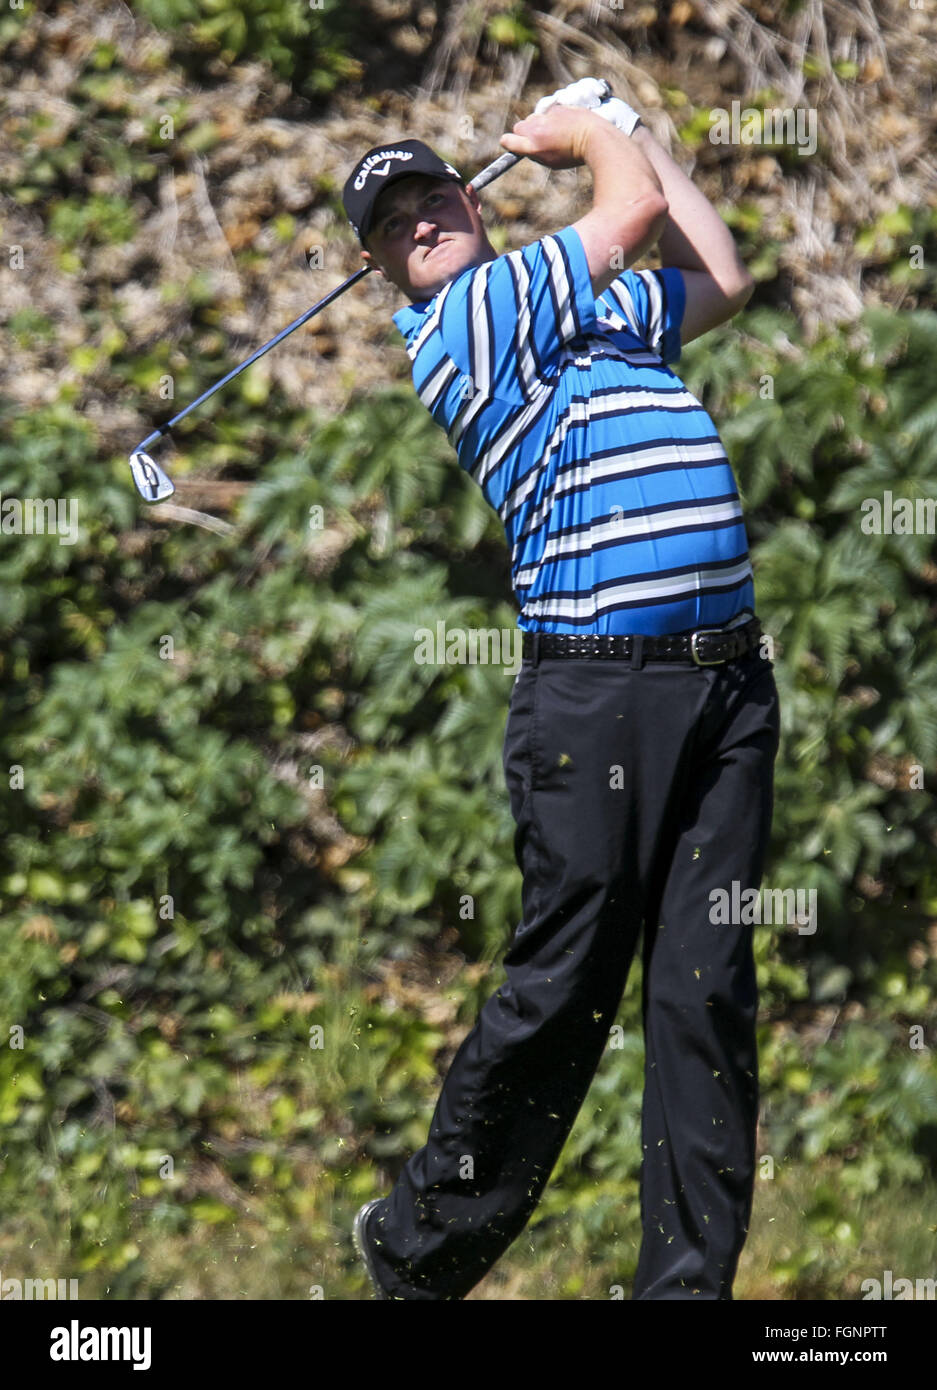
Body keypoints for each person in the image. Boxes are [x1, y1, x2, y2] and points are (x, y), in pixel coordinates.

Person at [342, 79, 781, 1300]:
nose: (420, 220)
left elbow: (721, 277)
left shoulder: (590, 319)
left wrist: (633, 128)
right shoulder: (468, 320)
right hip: (598, 700)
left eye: (433, 194)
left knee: (705, 998)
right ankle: (418, 1252)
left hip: (725, 689)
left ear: (474, 200)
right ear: (383, 264)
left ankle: (686, 1290)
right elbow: (629, 215)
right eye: (393, 223)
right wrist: (588, 135)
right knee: (562, 987)